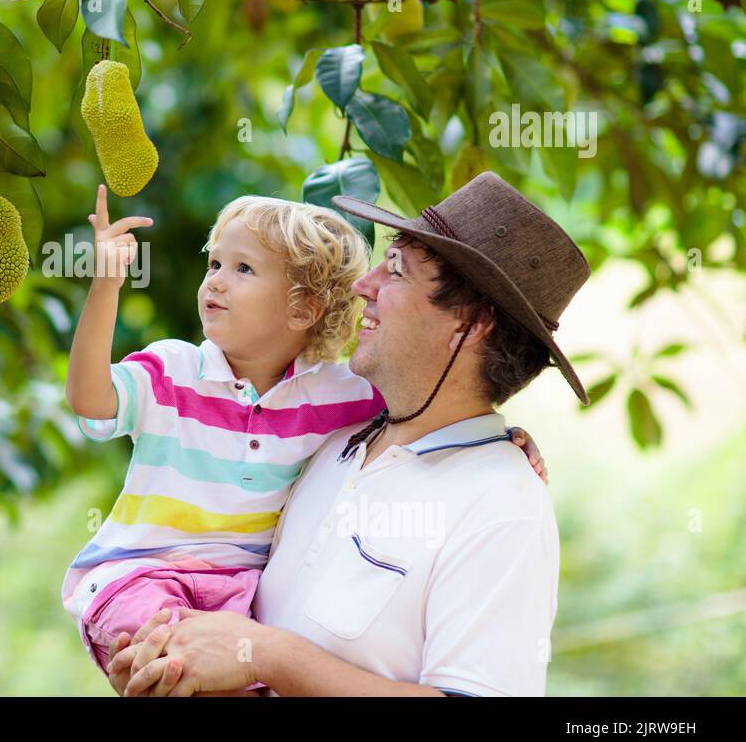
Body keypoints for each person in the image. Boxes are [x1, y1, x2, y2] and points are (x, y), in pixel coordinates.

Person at [107, 172, 590, 697]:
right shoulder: (331, 440)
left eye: (397, 270)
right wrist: (164, 664)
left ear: (470, 323)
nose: (363, 284)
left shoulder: (503, 502)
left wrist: (265, 653)